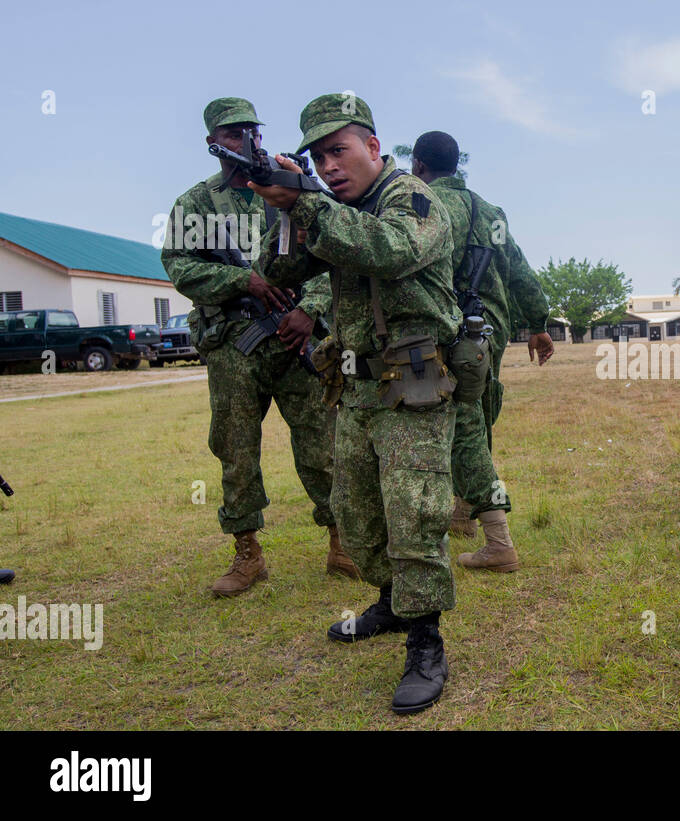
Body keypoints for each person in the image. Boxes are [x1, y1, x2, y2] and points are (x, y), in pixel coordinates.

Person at [251, 94, 461, 714]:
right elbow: (279, 269)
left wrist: (308, 199)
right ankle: (394, 605)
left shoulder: (415, 201)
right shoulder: (329, 209)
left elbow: (389, 250)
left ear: (373, 146)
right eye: (318, 156)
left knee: (414, 517)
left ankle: (426, 643)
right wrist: (288, 205)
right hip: (354, 383)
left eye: (338, 150)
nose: (331, 165)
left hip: (414, 382)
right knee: (359, 517)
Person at [161, 97, 356, 597]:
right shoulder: (196, 204)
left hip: (293, 338)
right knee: (235, 448)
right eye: (233, 132)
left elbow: (327, 248)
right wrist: (242, 281)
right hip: (233, 343)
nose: (248, 138)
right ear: (212, 142)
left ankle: (341, 543)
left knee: (321, 441)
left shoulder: (284, 188)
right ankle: (248, 553)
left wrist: (308, 307)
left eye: (253, 129)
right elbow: (179, 266)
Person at [409, 130, 553, 572]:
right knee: (477, 412)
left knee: (462, 425)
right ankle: (461, 513)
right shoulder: (490, 212)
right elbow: (521, 274)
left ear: (418, 166)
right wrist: (540, 324)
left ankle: (496, 538)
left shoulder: (423, 205)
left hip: (447, 332)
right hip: (491, 331)